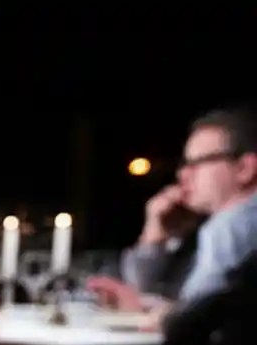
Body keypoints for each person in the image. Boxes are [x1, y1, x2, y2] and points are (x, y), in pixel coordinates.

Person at [89, 106, 257, 318]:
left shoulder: (231, 224)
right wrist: (155, 237)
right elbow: (198, 308)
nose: (183, 174)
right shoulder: (217, 225)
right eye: (184, 164)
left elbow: (195, 325)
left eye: (197, 163)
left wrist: (146, 309)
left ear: (244, 169)